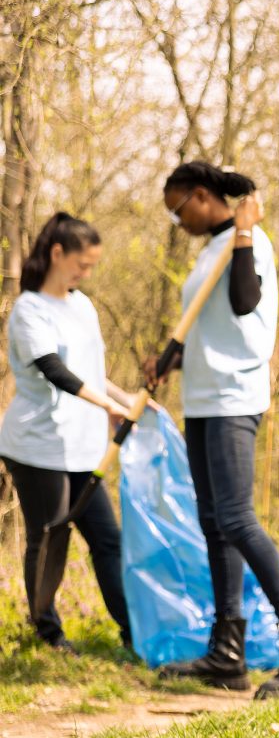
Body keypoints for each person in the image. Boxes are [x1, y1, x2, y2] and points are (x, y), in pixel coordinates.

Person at [148, 161, 279, 699]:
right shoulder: (210, 248)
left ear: (205, 197)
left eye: (179, 209)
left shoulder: (251, 240)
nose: (178, 221)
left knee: (236, 517)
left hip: (235, 398)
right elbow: (208, 327)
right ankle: (227, 653)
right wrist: (167, 359)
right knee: (213, 522)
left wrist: (247, 232)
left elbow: (244, 302)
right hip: (203, 398)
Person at [0, 213, 137, 654]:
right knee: (49, 536)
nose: (86, 273)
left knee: (108, 541)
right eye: (82, 263)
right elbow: (54, 371)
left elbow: (89, 372)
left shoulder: (82, 305)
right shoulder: (30, 309)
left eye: (92, 266)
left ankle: (134, 632)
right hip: (38, 447)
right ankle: (47, 634)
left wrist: (126, 399)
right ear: (57, 254)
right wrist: (109, 405)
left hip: (83, 447)